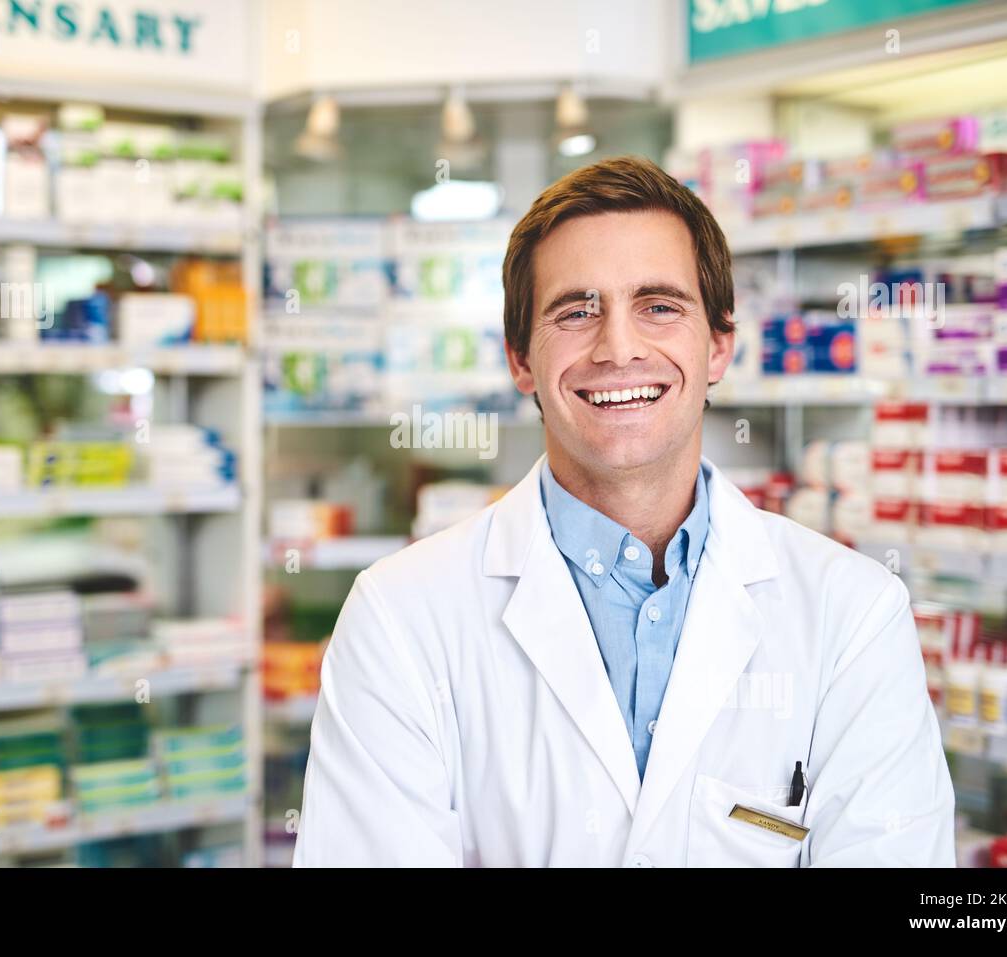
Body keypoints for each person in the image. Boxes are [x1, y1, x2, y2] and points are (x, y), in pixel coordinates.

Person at [293, 156, 954, 867]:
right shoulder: (402, 618)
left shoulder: (851, 615)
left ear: (719, 347)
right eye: (577, 311)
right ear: (521, 359)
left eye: (660, 306)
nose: (619, 347)